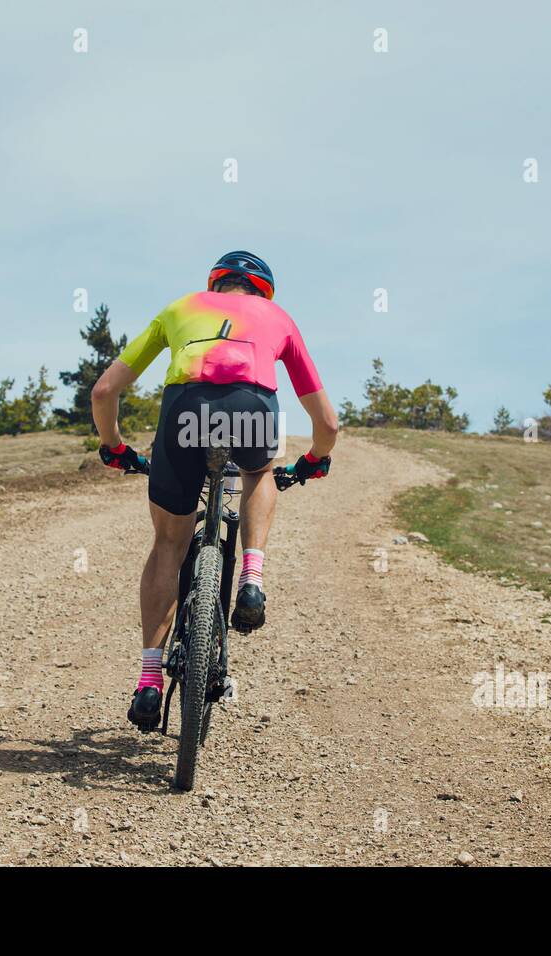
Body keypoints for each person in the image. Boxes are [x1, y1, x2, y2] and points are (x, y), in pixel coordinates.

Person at [91, 251, 339, 731]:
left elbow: (104, 392)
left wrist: (114, 448)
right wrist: (314, 460)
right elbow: (327, 422)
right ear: (263, 291)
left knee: (168, 545)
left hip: (183, 408)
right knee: (258, 474)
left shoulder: (179, 308)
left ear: (215, 285)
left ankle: (147, 681)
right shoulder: (279, 318)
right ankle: (251, 579)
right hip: (251, 404)